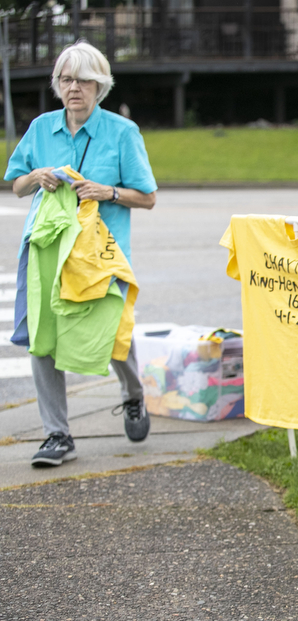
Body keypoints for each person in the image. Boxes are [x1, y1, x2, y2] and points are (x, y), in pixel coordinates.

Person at [4, 40, 158, 467]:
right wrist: (36, 176)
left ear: (100, 85)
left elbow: (147, 197)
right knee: (44, 338)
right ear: (58, 84)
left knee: (111, 332)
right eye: (67, 79)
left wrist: (107, 191)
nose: (74, 88)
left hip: (102, 255)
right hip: (48, 251)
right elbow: (16, 185)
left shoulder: (122, 132)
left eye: (84, 80)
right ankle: (57, 434)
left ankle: (133, 394)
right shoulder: (41, 128)